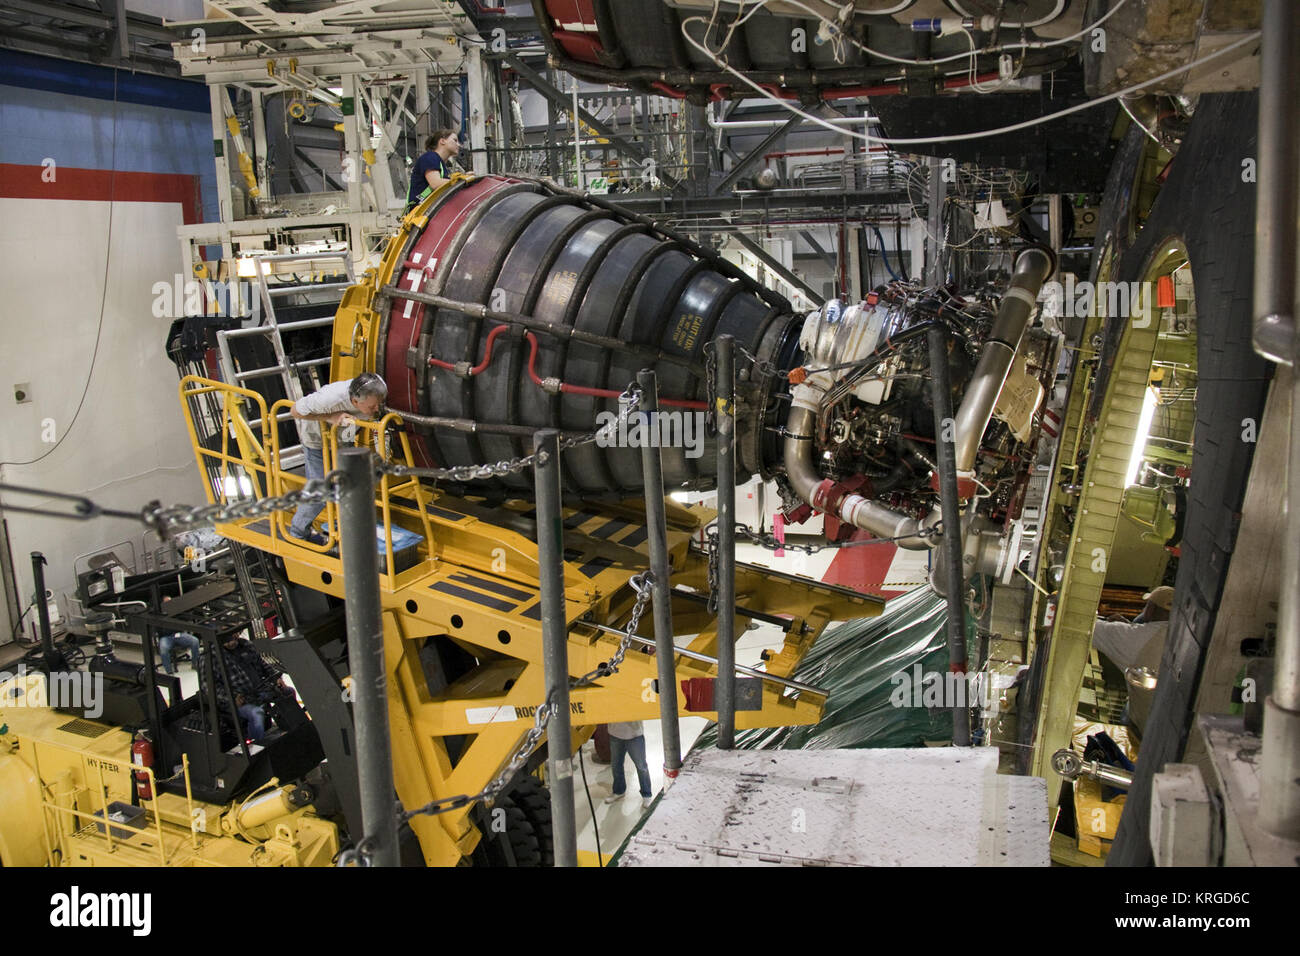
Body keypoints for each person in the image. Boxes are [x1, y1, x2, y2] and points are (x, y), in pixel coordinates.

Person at [288, 372, 387, 544]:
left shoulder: (371, 392)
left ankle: (352, 533)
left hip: (344, 437)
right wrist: (330, 417)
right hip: (318, 442)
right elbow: (295, 410)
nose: (376, 409)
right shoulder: (330, 399)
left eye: (378, 405)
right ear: (355, 402)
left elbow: (374, 410)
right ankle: (297, 534)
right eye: (372, 407)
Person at [1090, 586, 1174, 736]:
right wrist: (1128, 627)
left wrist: (1124, 630)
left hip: (1148, 728)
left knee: (1128, 713)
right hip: (1172, 719)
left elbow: (1091, 629)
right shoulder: (1177, 636)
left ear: (1151, 610)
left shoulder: (1135, 640)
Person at [203, 632, 298, 744]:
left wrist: (275, 678)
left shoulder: (246, 646)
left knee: (288, 692)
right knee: (256, 713)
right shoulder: (210, 658)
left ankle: (295, 731)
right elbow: (208, 687)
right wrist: (231, 698)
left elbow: (263, 664)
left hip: (258, 691)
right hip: (235, 701)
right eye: (228, 641)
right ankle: (259, 745)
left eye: (234, 637)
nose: (233, 642)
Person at [603, 720, 654, 809]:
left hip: (634, 734)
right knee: (616, 764)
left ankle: (647, 794)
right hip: (615, 733)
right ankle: (619, 790)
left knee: (641, 766)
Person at [406, 129, 461, 210]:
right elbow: (435, 183)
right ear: (442, 141)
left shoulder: (439, 163)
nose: (458, 145)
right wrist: (460, 180)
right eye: (455, 140)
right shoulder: (430, 157)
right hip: (420, 212)